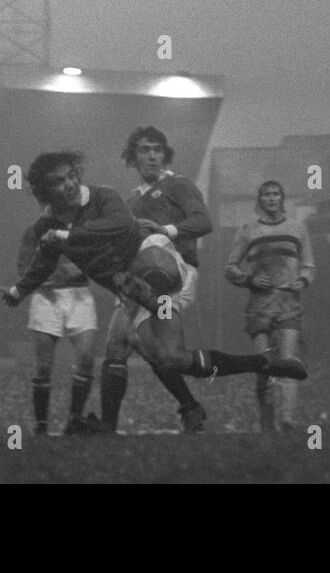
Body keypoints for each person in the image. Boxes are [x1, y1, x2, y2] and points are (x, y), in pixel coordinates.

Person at [1, 151, 305, 435]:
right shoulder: (46, 226)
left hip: (155, 265)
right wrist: (18, 290)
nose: (69, 183)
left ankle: (109, 427)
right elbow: (43, 262)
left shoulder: (103, 196)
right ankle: (261, 365)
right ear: (44, 190)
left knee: (141, 294)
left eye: (71, 175)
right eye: (58, 181)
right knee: (170, 358)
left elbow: (119, 226)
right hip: (134, 292)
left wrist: (68, 236)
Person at [100, 127, 214, 434]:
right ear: (132, 157)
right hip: (139, 279)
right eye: (144, 150)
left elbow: (204, 222)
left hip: (172, 277)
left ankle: (109, 428)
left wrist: (167, 231)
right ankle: (190, 407)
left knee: (133, 345)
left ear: (165, 155)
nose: (152, 155)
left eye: (157, 149)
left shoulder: (178, 185)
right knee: (138, 348)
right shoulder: (129, 202)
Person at [225, 181, 316, 432]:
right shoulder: (248, 230)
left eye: (276, 194)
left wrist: (303, 280)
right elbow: (230, 267)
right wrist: (249, 279)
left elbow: (308, 265)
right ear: (260, 200)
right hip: (260, 303)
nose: (271, 198)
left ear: (282, 198)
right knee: (264, 366)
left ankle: (287, 420)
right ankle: (267, 422)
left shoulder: (297, 229)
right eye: (266, 194)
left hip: (288, 301)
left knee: (288, 362)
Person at [16, 234, 98, 435]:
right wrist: (53, 275)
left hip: (79, 295)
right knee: (44, 365)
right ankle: (41, 426)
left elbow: (97, 262)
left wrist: (83, 269)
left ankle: (74, 420)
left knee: (86, 358)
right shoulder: (35, 231)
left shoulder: (83, 229)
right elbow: (23, 268)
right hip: (46, 297)